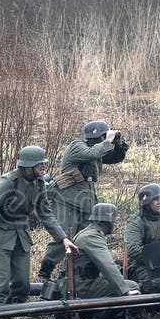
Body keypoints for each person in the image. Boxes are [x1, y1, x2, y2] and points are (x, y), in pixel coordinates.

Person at [0, 146, 78, 319]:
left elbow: (45, 213)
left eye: (43, 164)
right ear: (28, 166)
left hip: (21, 236)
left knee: (22, 285)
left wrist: (63, 238)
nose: (43, 168)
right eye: (39, 165)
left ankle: (6, 315)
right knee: (0, 284)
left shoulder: (39, 183)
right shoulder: (7, 182)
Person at [37, 120, 128, 281]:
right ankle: (44, 273)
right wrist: (107, 141)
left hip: (86, 201)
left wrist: (119, 144)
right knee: (64, 235)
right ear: (97, 136)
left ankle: (70, 274)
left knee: (85, 238)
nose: (106, 138)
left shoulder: (97, 148)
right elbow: (91, 154)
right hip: (67, 199)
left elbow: (114, 157)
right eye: (104, 135)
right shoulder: (77, 146)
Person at [70, 202, 140, 319]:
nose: (115, 224)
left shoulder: (87, 232)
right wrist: (125, 291)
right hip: (83, 288)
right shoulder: (93, 237)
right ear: (106, 222)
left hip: (81, 284)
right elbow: (107, 266)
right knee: (132, 286)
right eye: (113, 221)